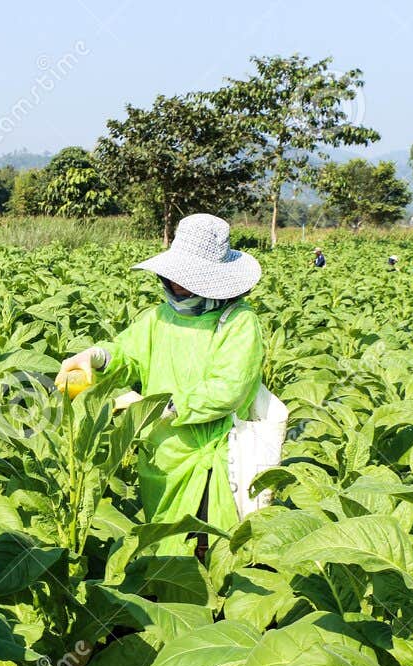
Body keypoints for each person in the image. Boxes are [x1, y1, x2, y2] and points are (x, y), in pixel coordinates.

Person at [58, 213, 264, 538]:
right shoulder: (161, 316)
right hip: (157, 455)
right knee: (157, 544)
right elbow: (128, 354)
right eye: (175, 276)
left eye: (189, 277)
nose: (178, 284)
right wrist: (97, 357)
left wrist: (157, 406)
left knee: (198, 550)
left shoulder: (238, 323)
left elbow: (227, 390)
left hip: (205, 461)